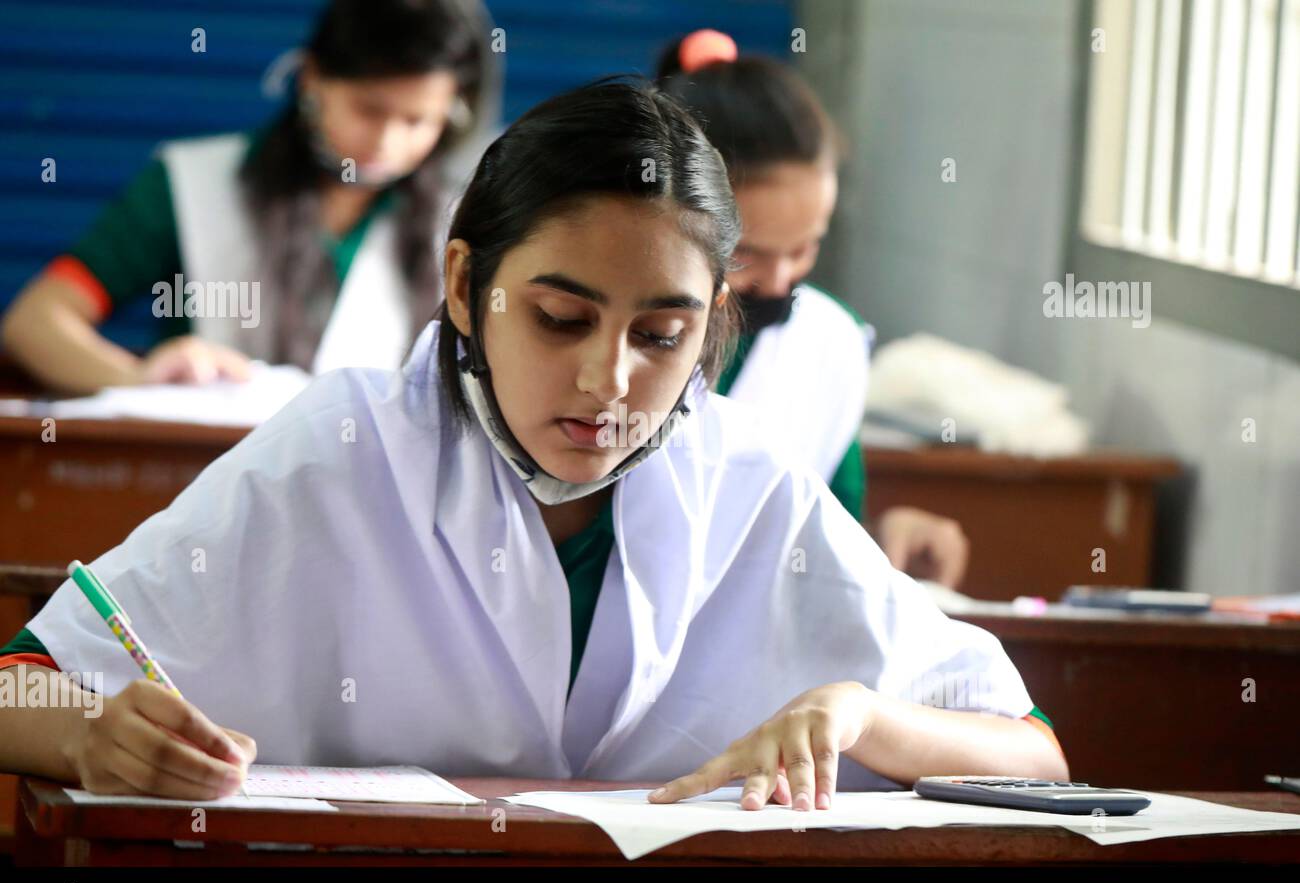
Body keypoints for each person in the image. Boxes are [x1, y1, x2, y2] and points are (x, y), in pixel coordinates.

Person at [0, 79, 1066, 813]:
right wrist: (93, 734)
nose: (610, 382)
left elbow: (1037, 755)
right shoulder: (339, 448)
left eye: (662, 335)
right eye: (559, 318)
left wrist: (864, 714)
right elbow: (18, 685)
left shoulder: (752, 484)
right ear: (466, 287)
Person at [0, 0, 494, 394]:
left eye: (417, 121)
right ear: (311, 80)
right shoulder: (193, 185)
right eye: (368, 110)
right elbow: (36, 321)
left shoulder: (460, 221)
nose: (388, 143)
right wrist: (139, 381)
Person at [658, 30, 971, 589]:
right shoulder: (627, 337)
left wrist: (887, 536)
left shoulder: (829, 342)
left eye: (804, 247)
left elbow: (827, 525)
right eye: (747, 252)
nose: (780, 280)